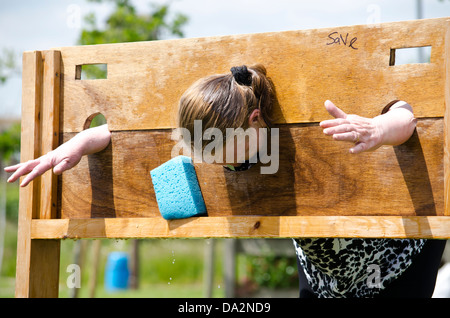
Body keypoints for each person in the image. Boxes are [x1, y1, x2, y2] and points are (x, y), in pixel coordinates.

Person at [5, 64, 445, 297]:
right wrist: (80, 141)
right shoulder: (216, 142)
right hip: (323, 274)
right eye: (196, 147)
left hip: (398, 257)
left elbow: (411, 112)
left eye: (212, 146)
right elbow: (125, 133)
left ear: (256, 121)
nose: (204, 159)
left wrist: (379, 129)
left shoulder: (329, 124)